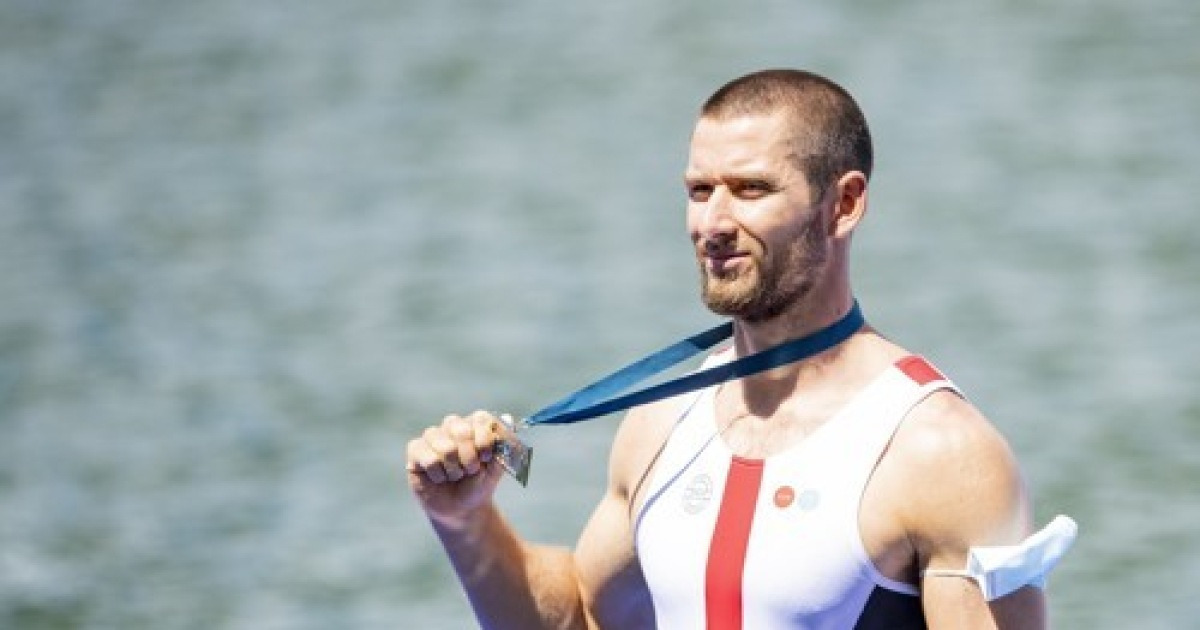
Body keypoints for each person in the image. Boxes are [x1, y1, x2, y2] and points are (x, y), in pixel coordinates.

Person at [406, 69, 1062, 629]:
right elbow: (582, 615)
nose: (713, 223)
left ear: (844, 204)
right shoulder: (661, 424)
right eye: (699, 190)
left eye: (751, 189)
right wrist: (465, 521)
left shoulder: (939, 453)